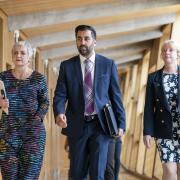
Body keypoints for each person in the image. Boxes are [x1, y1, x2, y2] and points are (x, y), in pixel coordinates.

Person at [53, 24, 126, 180]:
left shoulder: (108, 64)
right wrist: (59, 112)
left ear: (94, 41)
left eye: (86, 38)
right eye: (79, 39)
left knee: (98, 173)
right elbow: (60, 94)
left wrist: (121, 123)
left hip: (101, 125)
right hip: (77, 125)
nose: (82, 42)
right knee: (76, 173)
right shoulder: (67, 66)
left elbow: (116, 96)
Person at [0, 41, 49, 180]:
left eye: (22, 53)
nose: (18, 56)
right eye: (15, 53)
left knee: (28, 177)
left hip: (33, 135)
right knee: (9, 177)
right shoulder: (2, 77)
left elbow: (45, 102)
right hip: (7, 134)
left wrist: (38, 118)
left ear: (29, 56)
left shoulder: (39, 78)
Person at [143, 40, 180, 180]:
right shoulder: (153, 78)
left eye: (170, 50)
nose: (167, 52)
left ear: (178, 54)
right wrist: (147, 132)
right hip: (164, 130)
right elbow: (148, 107)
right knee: (170, 171)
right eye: (164, 50)